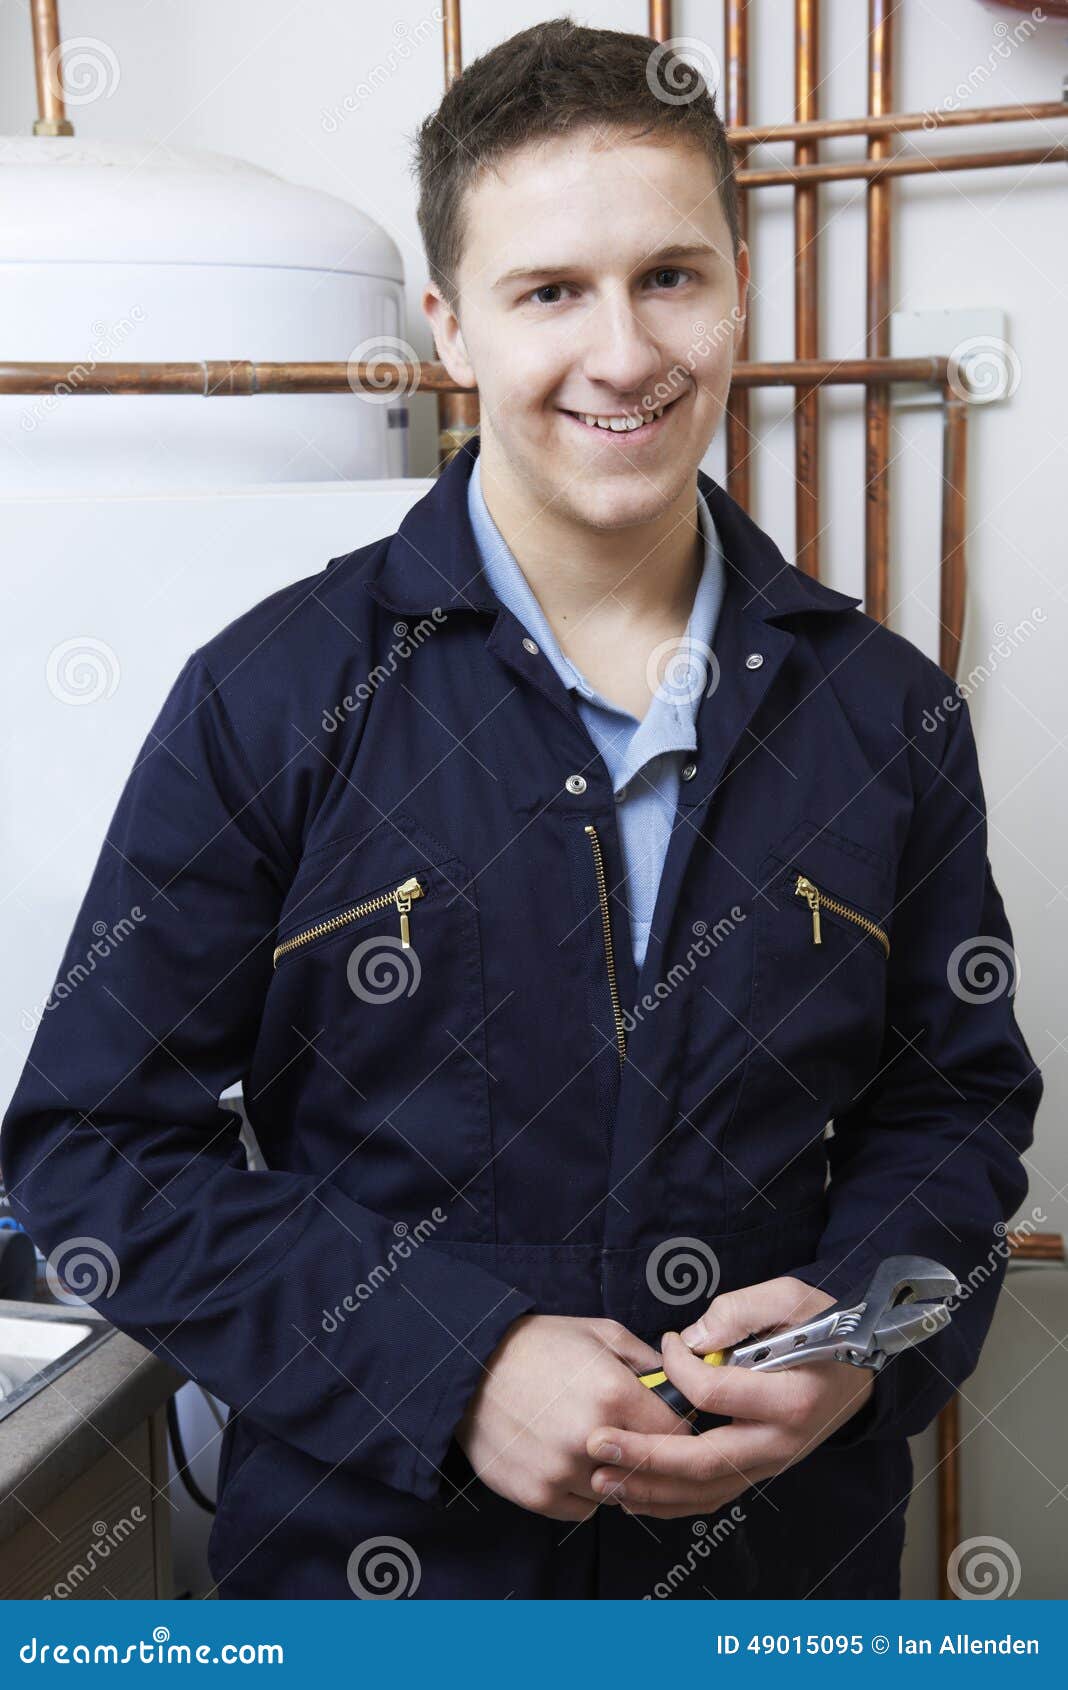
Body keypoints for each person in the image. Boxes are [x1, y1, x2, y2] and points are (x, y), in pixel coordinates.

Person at [0, 17, 1042, 1601]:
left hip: (779, 1578)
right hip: (382, 1580)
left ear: (737, 294)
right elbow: (93, 1151)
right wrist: (450, 1362)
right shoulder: (274, 695)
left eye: (669, 276)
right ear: (449, 330)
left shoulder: (885, 712)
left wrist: (864, 1328)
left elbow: (955, 1111)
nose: (621, 353)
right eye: (550, 291)